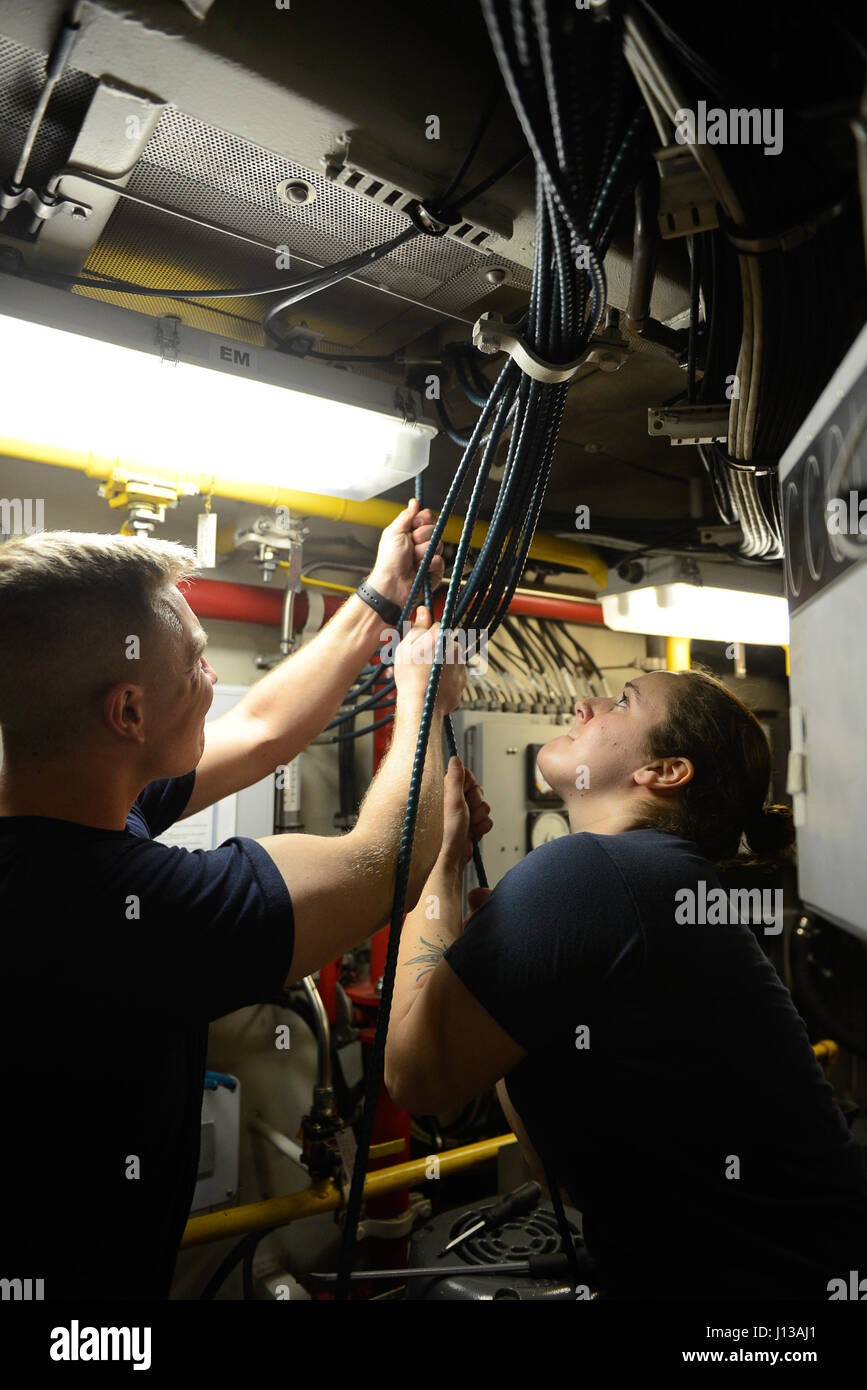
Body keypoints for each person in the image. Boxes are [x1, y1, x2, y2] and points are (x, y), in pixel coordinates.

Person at [0, 500, 466, 1300]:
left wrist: (379, 598)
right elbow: (387, 859)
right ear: (129, 712)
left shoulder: (65, 802)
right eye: (197, 663)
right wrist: (426, 699)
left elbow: (257, 729)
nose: (215, 681)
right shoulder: (122, 910)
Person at [386, 668, 867, 1299]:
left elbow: (412, 1076)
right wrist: (497, 979)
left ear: (665, 771)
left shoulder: (597, 871)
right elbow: (552, 1161)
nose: (584, 704)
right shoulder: (644, 877)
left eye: (620, 702)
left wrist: (438, 871)